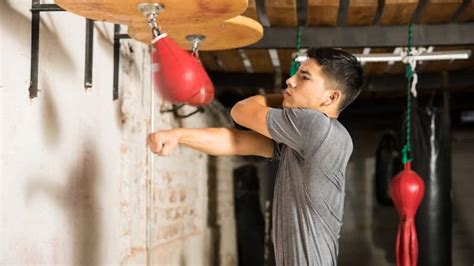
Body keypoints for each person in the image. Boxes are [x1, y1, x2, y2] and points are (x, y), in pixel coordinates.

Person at [147, 47, 363, 265]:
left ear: (331, 97)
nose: (290, 80)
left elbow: (241, 111)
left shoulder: (315, 127)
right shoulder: (307, 139)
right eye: (296, 74)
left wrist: (289, 98)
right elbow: (237, 141)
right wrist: (178, 135)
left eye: (304, 77)